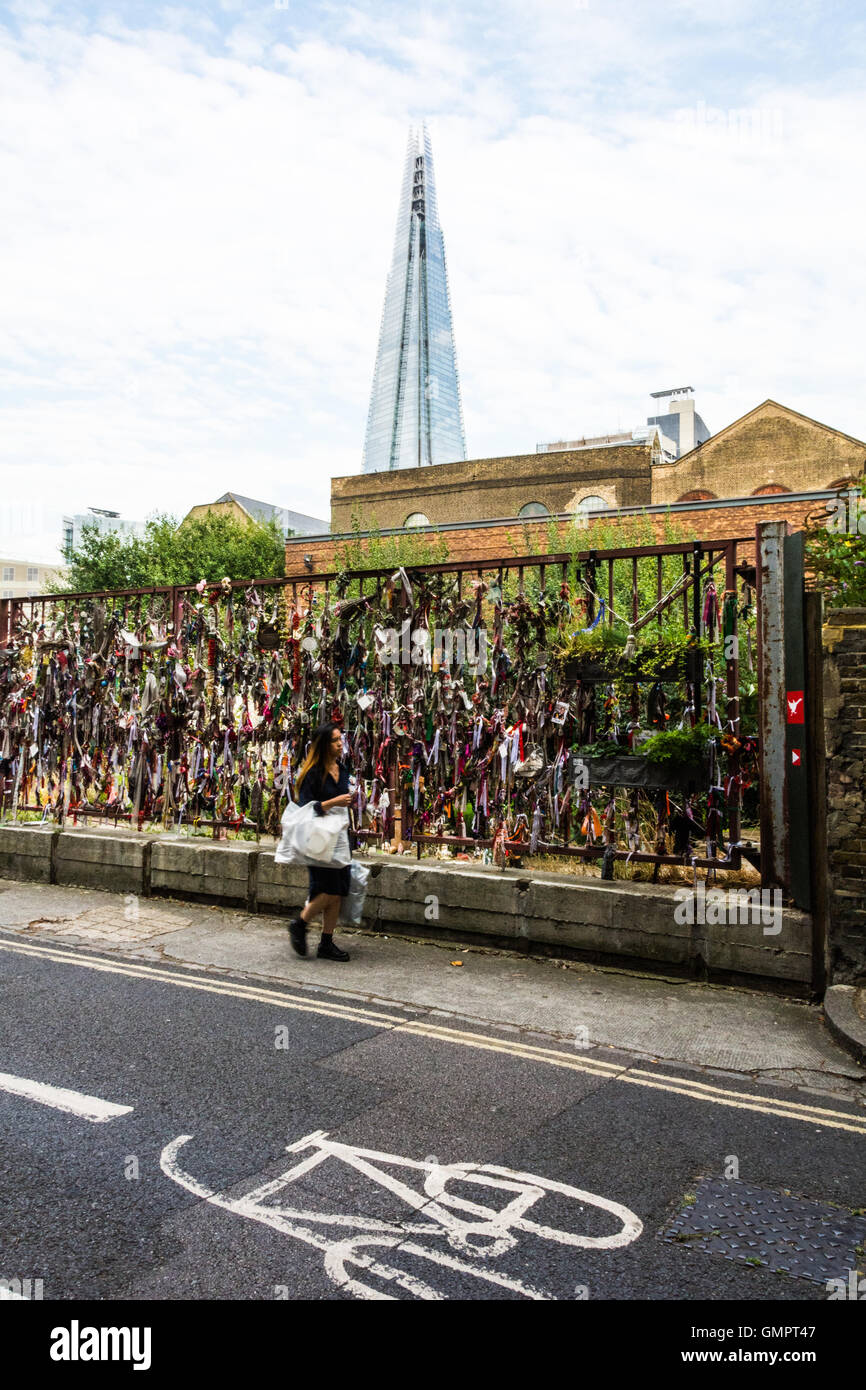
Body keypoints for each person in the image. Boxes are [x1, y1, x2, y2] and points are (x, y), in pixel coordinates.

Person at [288, 722, 353, 961]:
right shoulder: (312, 774)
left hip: (340, 838)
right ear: (324, 745)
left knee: (339, 891)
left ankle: (326, 942)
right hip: (318, 839)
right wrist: (334, 802)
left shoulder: (343, 769)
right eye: (335, 741)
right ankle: (300, 923)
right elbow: (305, 807)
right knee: (327, 889)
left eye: (340, 739)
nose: (340, 744)